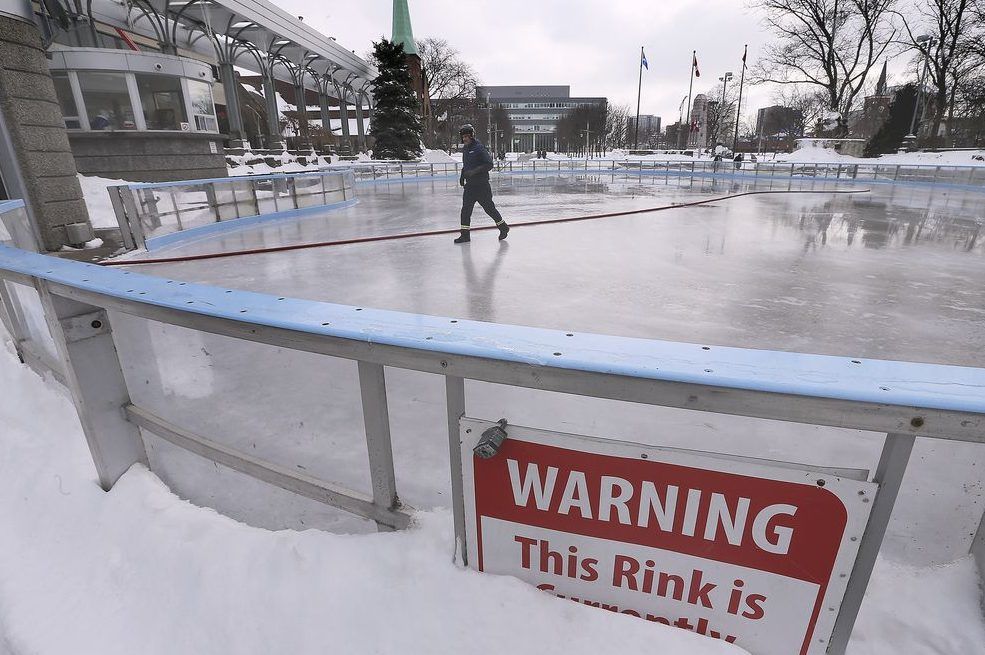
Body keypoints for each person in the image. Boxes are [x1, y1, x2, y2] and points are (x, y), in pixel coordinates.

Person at [455, 124, 509, 244]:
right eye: (463, 137)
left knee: (489, 209)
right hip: (470, 187)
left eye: (467, 136)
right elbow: (466, 165)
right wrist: (462, 176)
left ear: (472, 136)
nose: (465, 139)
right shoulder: (466, 149)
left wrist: (474, 172)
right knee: (465, 210)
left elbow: (489, 164)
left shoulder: (479, 148)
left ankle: (503, 227)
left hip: (481, 186)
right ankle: (465, 235)